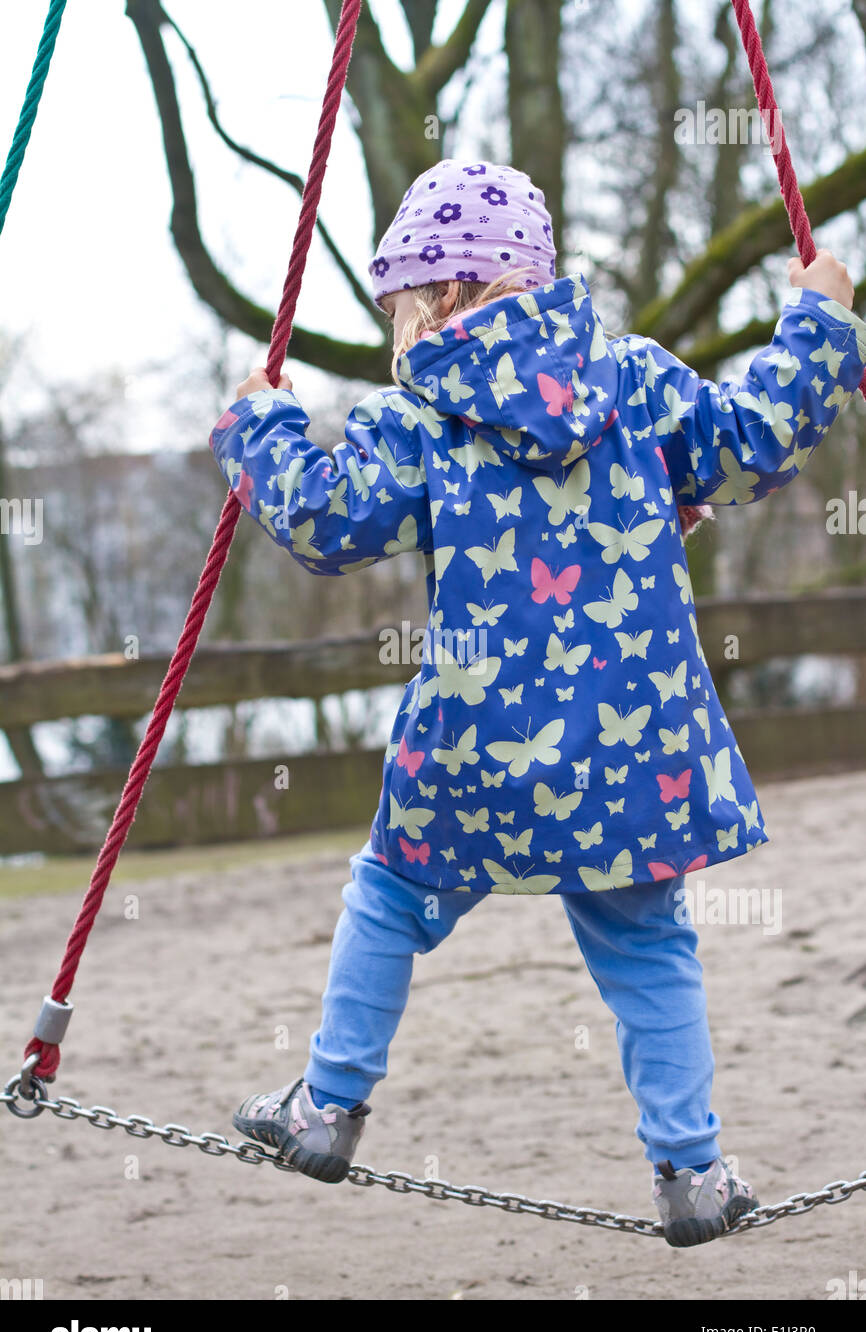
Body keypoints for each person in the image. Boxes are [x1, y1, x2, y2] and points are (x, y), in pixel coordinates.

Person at [209, 159, 865, 1246]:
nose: (400, 327)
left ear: (448, 295)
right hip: (632, 747)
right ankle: (692, 1172)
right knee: (649, 945)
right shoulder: (634, 380)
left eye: (405, 304)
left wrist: (259, 430)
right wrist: (817, 322)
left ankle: (326, 1108)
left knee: (386, 897)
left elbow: (326, 524)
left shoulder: (418, 409)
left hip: (476, 746)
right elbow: (751, 441)